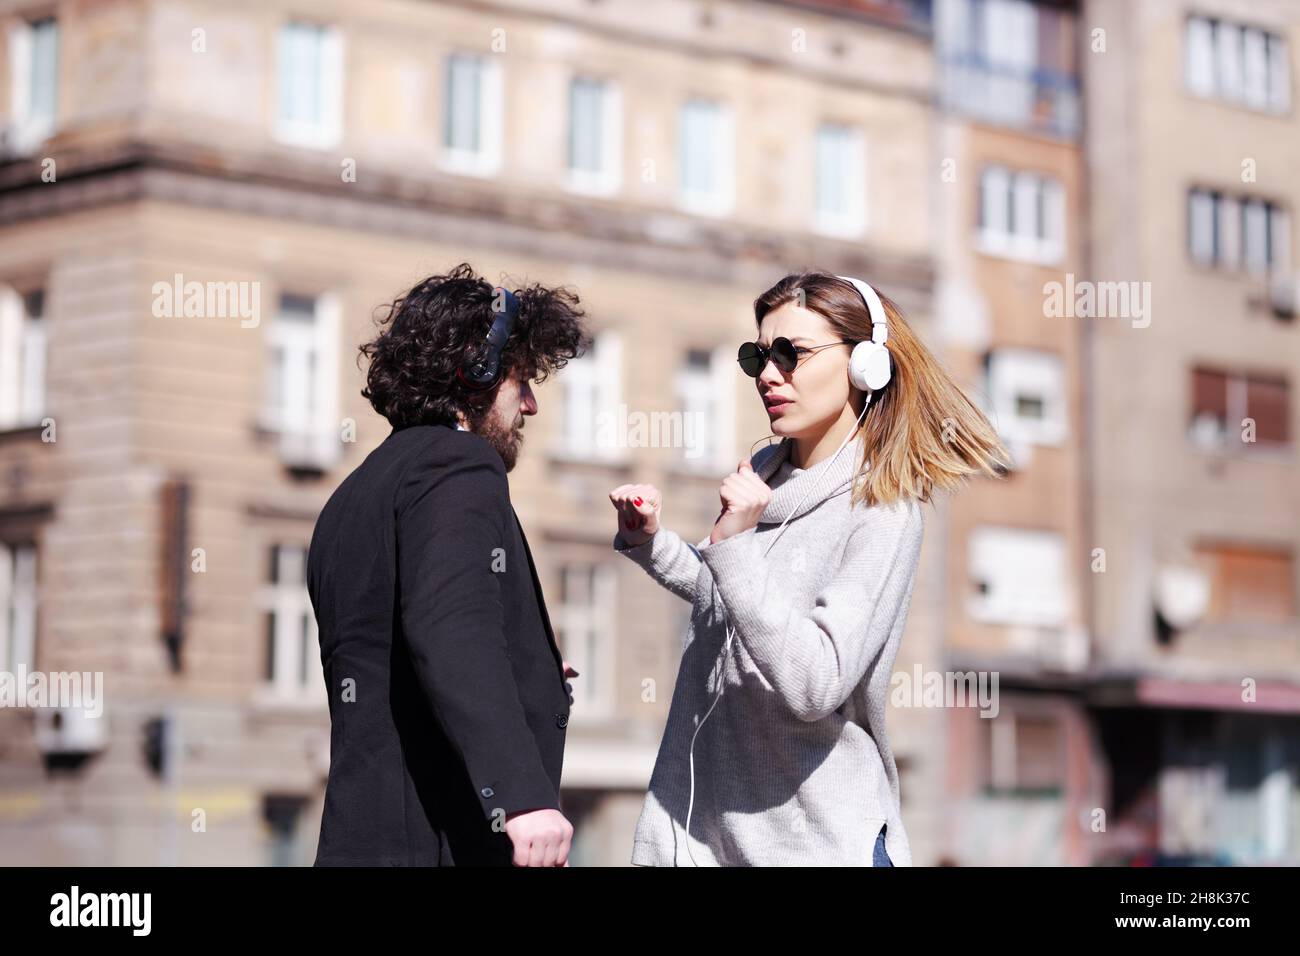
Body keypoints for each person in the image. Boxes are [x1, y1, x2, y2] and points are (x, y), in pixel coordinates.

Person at [609, 271, 1011, 866]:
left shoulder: (883, 509)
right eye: (758, 356)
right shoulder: (765, 474)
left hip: (815, 845)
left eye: (790, 354)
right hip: (708, 834)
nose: (768, 375)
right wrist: (652, 544)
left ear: (864, 364)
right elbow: (731, 604)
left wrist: (736, 548)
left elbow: (814, 682)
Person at [308, 262, 587, 866]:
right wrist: (521, 796)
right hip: (439, 844)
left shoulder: (357, 491)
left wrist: (528, 667)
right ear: (477, 372)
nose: (531, 405)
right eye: (522, 380)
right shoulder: (457, 466)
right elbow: (450, 628)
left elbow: (402, 641)